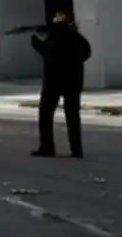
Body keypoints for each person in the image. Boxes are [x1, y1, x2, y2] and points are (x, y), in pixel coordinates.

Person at [32, 11, 92, 158]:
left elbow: (46, 51)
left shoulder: (54, 38)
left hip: (53, 82)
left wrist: (35, 41)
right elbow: (86, 53)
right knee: (73, 117)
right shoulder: (77, 38)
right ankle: (76, 149)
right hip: (73, 83)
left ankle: (47, 147)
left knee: (46, 115)